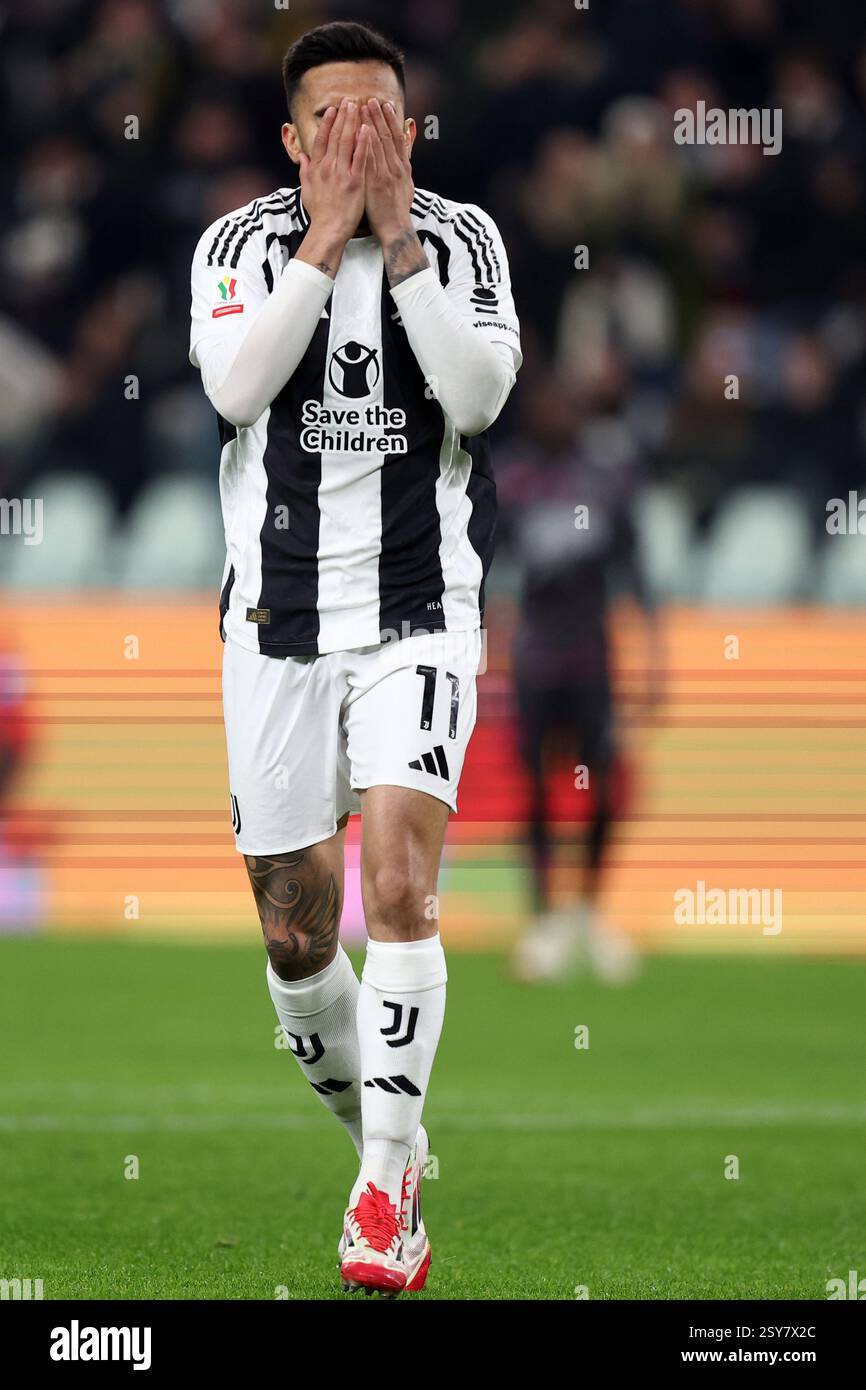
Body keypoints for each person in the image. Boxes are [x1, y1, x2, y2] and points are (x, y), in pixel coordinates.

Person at [188, 21, 521, 1296]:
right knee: (292, 927)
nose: (357, 139)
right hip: (272, 626)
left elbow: (479, 398)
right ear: (291, 140)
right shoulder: (236, 243)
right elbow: (233, 389)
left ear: (412, 130)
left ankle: (381, 1195)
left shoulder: (467, 237)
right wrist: (328, 244)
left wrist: (406, 250)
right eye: (331, 121)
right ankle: (396, 1141)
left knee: (398, 875)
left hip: (416, 612)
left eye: (378, 117)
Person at [498, 376, 657, 984]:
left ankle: (590, 910)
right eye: (546, 403)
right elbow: (483, 568)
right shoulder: (512, 479)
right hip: (536, 659)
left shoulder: (607, 479)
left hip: (593, 660)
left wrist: (653, 655)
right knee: (535, 789)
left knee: (606, 786)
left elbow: (637, 572)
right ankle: (544, 920)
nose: (556, 413)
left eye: (565, 403)